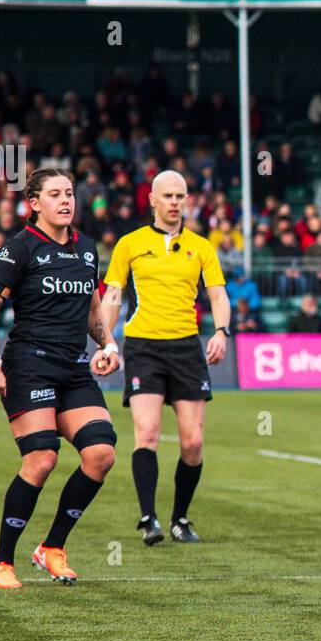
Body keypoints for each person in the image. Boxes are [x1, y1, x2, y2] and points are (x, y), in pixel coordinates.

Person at [0, 168, 120, 589]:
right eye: (55, 194)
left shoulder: (87, 249)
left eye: (70, 193)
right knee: (42, 459)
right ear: (34, 203)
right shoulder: (19, 248)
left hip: (73, 369)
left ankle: (52, 547)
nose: (66, 201)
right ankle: (1, 562)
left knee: (101, 454)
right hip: (28, 364)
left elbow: (93, 311)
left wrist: (108, 346)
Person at [100, 171, 229, 546]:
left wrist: (221, 332)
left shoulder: (202, 247)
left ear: (187, 200)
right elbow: (113, 296)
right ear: (152, 201)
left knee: (193, 443)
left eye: (180, 196)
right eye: (167, 196)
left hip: (187, 348)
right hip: (143, 347)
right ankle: (148, 519)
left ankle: (180, 519)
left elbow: (218, 296)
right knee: (148, 433)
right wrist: (107, 343)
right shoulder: (130, 243)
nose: (174, 202)